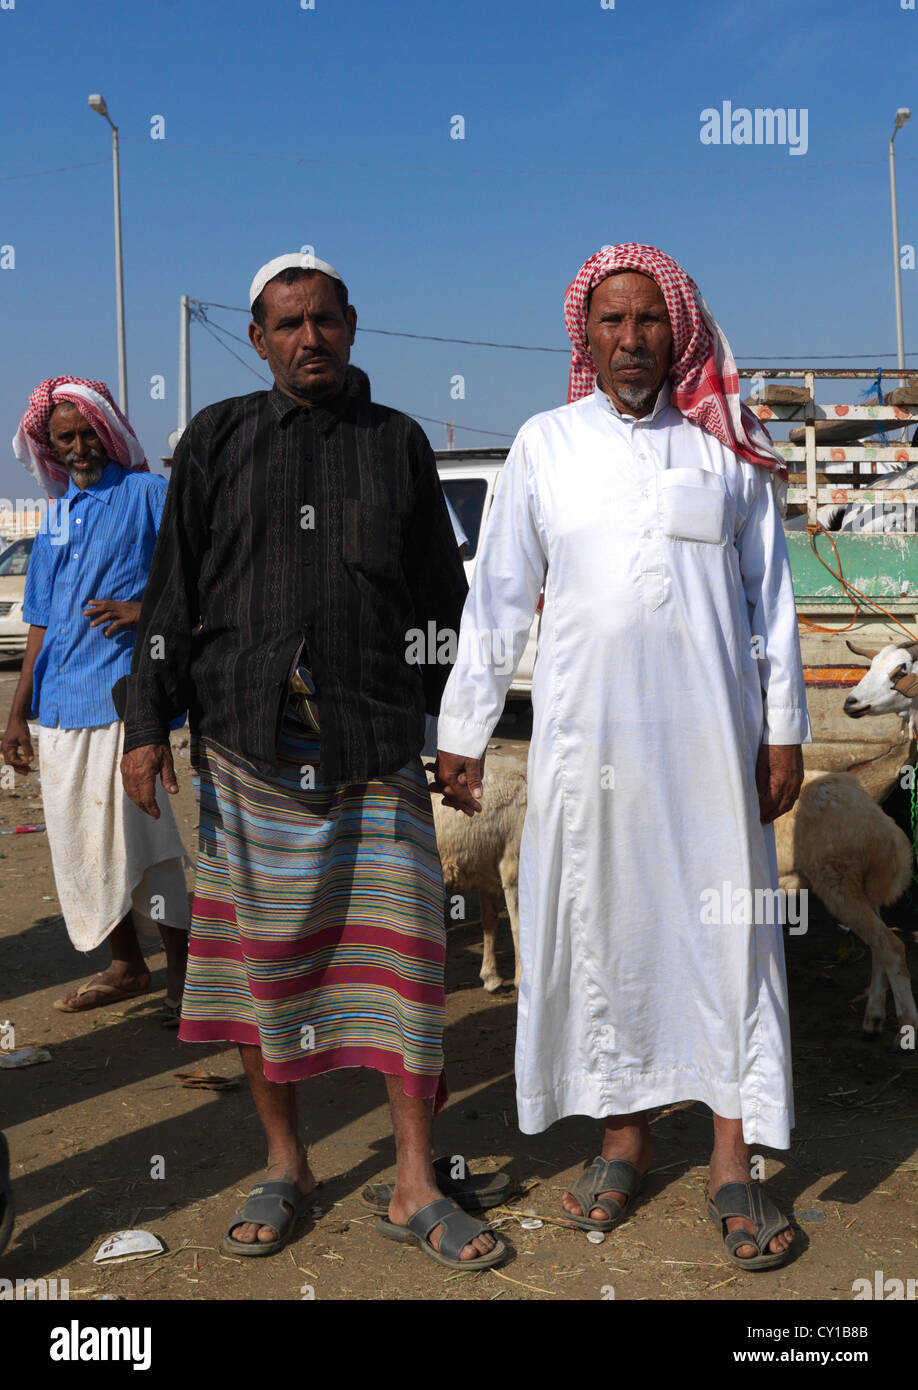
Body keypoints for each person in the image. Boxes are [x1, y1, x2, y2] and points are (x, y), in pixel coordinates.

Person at [113, 252, 505, 1269]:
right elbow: (172, 592)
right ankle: (287, 1162)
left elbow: (438, 606)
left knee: (409, 972)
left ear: (352, 323)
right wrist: (147, 725)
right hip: (245, 746)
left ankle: (415, 1175)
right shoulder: (217, 439)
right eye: (286, 324)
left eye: (322, 319)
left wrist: (453, 729)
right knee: (259, 973)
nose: (307, 338)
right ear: (257, 339)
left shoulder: (398, 444)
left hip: (375, 748)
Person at [434, 243, 810, 1271]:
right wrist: (462, 729)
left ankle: (734, 1160)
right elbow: (499, 599)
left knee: (725, 938)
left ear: (677, 329)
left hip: (710, 749)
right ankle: (625, 1140)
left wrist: (785, 732)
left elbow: (769, 604)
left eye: (648, 320)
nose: (631, 339)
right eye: (611, 322)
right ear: (583, 337)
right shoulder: (546, 446)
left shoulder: (729, 450)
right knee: (606, 930)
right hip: (584, 750)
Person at [1, 378, 190, 1018]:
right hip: (58, 708)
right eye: (64, 438)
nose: (78, 448)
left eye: (87, 434)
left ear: (107, 433)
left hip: (125, 700)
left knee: (148, 847)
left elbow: (196, 572)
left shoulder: (147, 495)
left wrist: (145, 610)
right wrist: (17, 711)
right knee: (82, 845)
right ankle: (126, 966)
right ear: (48, 446)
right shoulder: (54, 518)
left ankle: (185, 982)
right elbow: (42, 620)